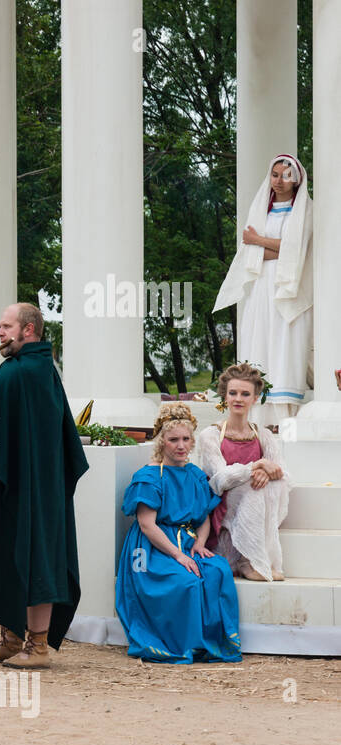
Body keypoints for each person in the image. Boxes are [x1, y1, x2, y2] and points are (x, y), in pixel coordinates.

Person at [0, 302, 89, 669]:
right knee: (7, 555)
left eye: (5, 326)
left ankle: (38, 647)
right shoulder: (32, 368)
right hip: (28, 483)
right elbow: (2, 420)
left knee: (35, 559)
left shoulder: (22, 371)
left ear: (28, 330)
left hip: (30, 488)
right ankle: (13, 638)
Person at [116, 404, 241, 664]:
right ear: (161, 441)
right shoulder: (150, 477)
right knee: (185, 581)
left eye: (186, 439)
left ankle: (208, 644)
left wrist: (199, 544)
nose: (180, 445)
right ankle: (181, 642)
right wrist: (178, 556)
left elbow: (204, 516)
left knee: (216, 569)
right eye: (173, 440)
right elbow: (147, 525)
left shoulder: (195, 476)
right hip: (151, 549)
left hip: (187, 542)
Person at [214, 154, 313, 426]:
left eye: (286, 176)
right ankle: (256, 414)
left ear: (297, 180)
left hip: (289, 288)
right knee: (261, 339)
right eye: (275, 175)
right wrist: (277, 247)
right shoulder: (262, 210)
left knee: (286, 343)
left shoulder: (304, 209)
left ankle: (285, 416)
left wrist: (259, 240)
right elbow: (252, 254)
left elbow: (297, 250)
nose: (280, 181)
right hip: (262, 288)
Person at [197, 363, 291, 582]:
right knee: (254, 486)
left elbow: (281, 471)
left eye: (245, 394)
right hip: (221, 505)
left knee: (270, 483)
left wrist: (267, 473)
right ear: (225, 397)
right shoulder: (211, 434)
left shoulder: (263, 435)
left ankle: (256, 559)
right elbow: (220, 479)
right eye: (233, 393)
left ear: (255, 398)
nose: (238, 398)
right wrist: (256, 467)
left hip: (252, 504)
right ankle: (248, 561)